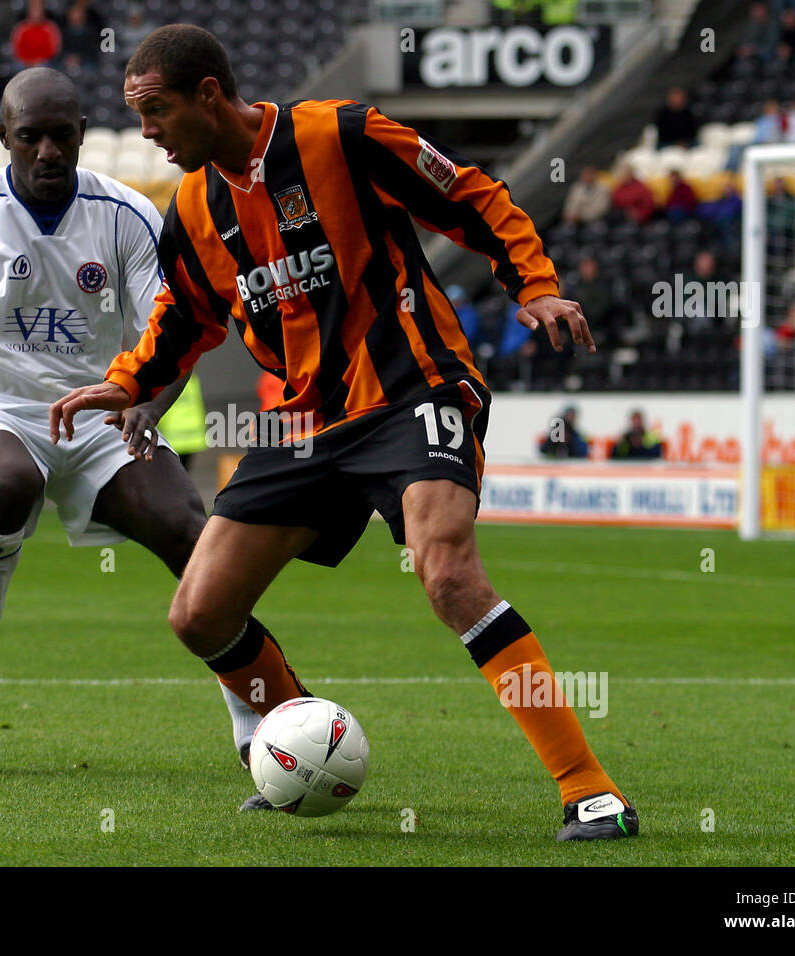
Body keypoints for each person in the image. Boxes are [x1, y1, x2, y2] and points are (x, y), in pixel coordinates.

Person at [51, 25, 638, 840]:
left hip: (411, 388)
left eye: (155, 112)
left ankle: (589, 788)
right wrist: (122, 385)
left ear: (209, 96)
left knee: (448, 574)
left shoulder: (340, 133)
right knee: (200, 615)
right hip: (304, 422)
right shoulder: (190, 208)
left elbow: (472, 194)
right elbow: (183, 317)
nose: (146, 132)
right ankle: (300, 745)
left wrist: (533, 284)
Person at [0, 68, 308, 786]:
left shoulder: (128, 214)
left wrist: (147, 404)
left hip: (98, 407)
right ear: (2, 138)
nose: (47, 150)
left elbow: (177, 329)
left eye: (61, 134)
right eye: (30, 136)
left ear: (82, 133)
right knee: (7, 486)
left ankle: (254, 713)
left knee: (188, 530)